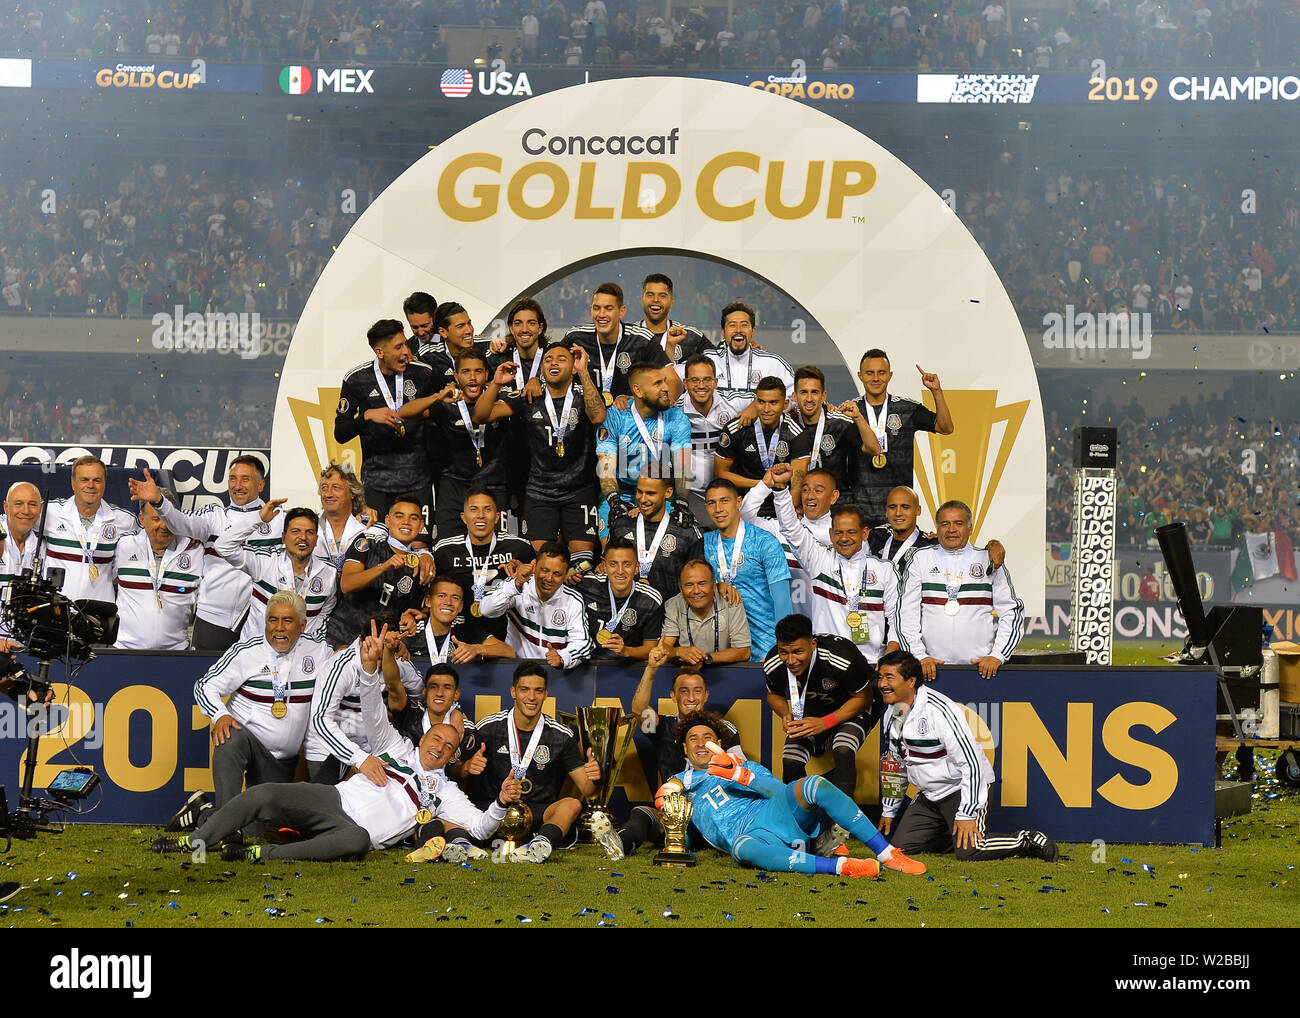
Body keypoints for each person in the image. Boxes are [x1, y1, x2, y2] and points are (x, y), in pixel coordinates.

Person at [157, 622, 518, 863]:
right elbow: (374, 706)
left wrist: (501, 802)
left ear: (453, 757)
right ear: (423, 736)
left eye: (449, 747)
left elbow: (480, 828)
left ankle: (258, 855)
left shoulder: (446, 792)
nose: (440, 745)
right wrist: (368, 668)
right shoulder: (394, 747)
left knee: (357, 841)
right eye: (437, 737)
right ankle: (198, 841)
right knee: (263, 793)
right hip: (334, 799)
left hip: (354, 832)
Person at [663, 709, 925, 877]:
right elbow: (681, 838)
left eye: (706, 737)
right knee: (742, 849)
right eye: (692, 739)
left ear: (719, 744)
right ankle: (843, 867)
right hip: (751, 837)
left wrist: (743, 776)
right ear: (685, 749)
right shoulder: (681, 789)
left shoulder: (745, 766)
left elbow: (781, 792)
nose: (700, 743)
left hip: (774, 815)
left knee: (813, 785)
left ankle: (887, 854)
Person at [876, 649, 1057, 861]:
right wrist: (889, 809)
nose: (882, 684)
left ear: (911, 681)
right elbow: (896, 763)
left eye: (889, 677)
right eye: (880, 677)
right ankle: (959, 840)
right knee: (901, 848)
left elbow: (971, 764)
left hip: (961, 788)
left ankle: (1026, 840)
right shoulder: (891, 712)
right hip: (930, 795)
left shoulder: (940, 711)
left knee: (969, 851)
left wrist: (966, 812)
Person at [180, 591, 332, 836]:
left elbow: (346, 665)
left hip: (283, 762)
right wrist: (220, 715)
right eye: (273, 620)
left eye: (287, 621)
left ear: (302, 625)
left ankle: (203, 812)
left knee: (258, 829)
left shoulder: (319, 652)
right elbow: (204, 686)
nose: (278, 628)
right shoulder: (246, 651)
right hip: (247, 743)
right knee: (229, 736)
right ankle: (227, 834)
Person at [603, 647, 744, 859]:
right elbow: (640, 711)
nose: (691, 697)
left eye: (697, 691)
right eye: (684, 691)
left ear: (706, 695)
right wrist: (651, 668)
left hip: (715, 813)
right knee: (642, 813)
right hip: (671, 816)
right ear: (673, 695)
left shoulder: (724, 729)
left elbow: (741, 770)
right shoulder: (662, 727)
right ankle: (620, 843)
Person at [472, 343, 605, 563]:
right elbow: (481, 415)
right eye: (548, 359)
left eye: (562, 359)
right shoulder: (528, 396)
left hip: (578, 490)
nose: (553, 362)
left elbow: (598, 416)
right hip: (539, 492)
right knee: (539, 563)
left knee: (583, 563)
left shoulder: (584, 393)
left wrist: (583, 371)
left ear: (573, 367)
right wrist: (496, 383)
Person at [130, 457, 278, 653]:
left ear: (260, 485)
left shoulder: (280, 522)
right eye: (232, 479)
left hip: (261, 620)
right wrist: (159, 502)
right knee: (203, 678)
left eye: (245, 479)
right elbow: (180, 523)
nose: (237, 485)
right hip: (214, 619)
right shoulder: (214, 516)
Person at [469, 663, 603, 862]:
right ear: (513, 691)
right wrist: (468, 767)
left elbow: (588, 791)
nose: (531, 697)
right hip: (493, 809)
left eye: (538, 691)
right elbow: (459, 776)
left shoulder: (561, 735)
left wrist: (595, 777)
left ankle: (540, 844)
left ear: (546, 693)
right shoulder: (488, 728)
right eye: (525, 690)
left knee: (572, 805)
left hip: (537, 812)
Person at [767, 463, 898, 662]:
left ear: (864, 534)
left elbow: (898, 616)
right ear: (831, 534)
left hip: (872, 661)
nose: (844, 538)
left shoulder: (884, 570)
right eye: (838, 533)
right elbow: (791, 529)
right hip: (825, 662)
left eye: (851, 532)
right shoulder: (820, 561)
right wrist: (780, 490)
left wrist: (892, 651)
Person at [896, 499, 1025, 680]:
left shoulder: (989, 560)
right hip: (930, 669)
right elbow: (905, 613)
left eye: (958, 523)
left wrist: (998, 654)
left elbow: (1012, 611)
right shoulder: (921, 559)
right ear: (937, 527)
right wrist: (919, 656)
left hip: (979, 670)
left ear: (970, 528)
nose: (951, 529)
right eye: (945, 524)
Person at [764, 614, 877, 814]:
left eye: (798, 652)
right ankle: (798, 821)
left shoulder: (842, 656)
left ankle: (842, 826)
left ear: (813, 644)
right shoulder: (774, 661)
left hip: (853, 706)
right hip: (813, 709)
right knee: (790, 760)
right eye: (784, 652)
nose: (790, 660)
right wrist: (785, 714)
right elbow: (773, 695)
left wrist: (825, 723)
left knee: (843, 748)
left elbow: (864, 698)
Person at [333, 319, 437, 519]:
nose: (406, 351)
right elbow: (341, 433)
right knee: (377, 540)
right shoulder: (356, 379)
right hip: (376, 482)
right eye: (398, 347)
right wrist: (367, 416)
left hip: (418, 480)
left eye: (406, 343)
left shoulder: (423, 372)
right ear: (380, 352)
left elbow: (440, 415)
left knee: (418, 544)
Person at [843, 349, 953, 528]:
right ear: (860, 376)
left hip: (899, 514)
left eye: (882, 372)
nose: (876, 378)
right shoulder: (849, 412)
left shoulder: (907, 408)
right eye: (870, 373)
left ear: (890, 375)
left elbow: (946, 427)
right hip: (860, 515)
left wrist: (936, 391)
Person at [406, 349, 511, 533]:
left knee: (495, 549)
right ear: (456, 375)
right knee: (447, 546)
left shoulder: (501, 399)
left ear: (487, 374)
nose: (472, 378)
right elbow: (404, 413)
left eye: (478, 371)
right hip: (454, 486)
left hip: (493, 483)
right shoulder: (446, 403)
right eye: (466, 372)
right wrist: (437, 397)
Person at [214, 500, 338, 642]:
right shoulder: (264, 561)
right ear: (284, 537)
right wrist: (258, 518)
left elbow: (325, 614)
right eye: (295, 531)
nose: (303, 537)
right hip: (257, 653)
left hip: (300, 656)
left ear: (316, 540)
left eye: (309, 532)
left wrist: (311, 643)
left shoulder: (329, 572)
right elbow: (223, 546)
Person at [432, 486, 535, 649]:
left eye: (487, 509)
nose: (480, 515)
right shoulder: (444, 551)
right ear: (464, 517)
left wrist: (528, 575)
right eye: (474, 509)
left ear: (497, 517)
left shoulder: (519, 548)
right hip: (460, 639)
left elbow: (541, 585)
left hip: (509, 640)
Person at [701, 478, 791, 659]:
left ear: (738, 502)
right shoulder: (704, 543)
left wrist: (782, 650)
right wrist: (715, 586)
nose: (718, 509)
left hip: (766, 650)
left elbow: (783, 602)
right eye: (712, 503)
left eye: (724, 501)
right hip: (724, 652)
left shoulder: (764, 542)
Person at [326, 495, 430, 649]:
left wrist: (411, 615)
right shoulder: (368, 542)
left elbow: (421, 606)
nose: (406, 522)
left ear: (421, 525)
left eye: (413, 518)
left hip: (383, 648)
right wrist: (383, 567)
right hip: (343, 639)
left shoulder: (419, 564)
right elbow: (346, 585)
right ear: (387, 521)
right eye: (399, 516)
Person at [596, 362, 693, 526]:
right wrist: (614, 500)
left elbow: (682, 468)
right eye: (658, 384)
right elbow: (606, 467)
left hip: (662, 493)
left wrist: (682, 502)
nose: (666, 388)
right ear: (638, 391)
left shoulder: (677, 417)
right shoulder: (616, 416)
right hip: (622, 492)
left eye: (665, 381)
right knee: (613, 546)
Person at [113, 487, 205, 650]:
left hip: (176, 655)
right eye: (156, 519)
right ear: (142, 519)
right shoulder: (123, 546)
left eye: (169, 518)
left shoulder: (196, 551)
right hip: (125, 652)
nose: (164, 525)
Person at [479, 542, 592, 669]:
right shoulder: (518, 585)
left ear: (566, 574)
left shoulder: (573, 600)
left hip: (554, 673)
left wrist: (563, 657)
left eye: (557, 574)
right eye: (544, 570)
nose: (549, 578)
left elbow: (583, 643)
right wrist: (516, 585)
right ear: (534, 566)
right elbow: (485, 609)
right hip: (515, 669)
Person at [42, 454, 137, 603]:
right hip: (55, 613)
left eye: (97, 480)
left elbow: (155, 537)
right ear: (73, 483)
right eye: (84, 480)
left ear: (104, 483)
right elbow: (11, 519)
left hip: (99, 615)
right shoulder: (49, 511)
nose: (90, 485)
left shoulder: (125, 520)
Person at [564, 281, 671, 405]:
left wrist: (634, 400)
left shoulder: (642, 339)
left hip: (628, 418)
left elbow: (671, 379)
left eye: (608, 309)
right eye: (596, 308)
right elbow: (550, 364)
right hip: (585, 418)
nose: (601, 314)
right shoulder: (576, 337)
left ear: (621, 311)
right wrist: (536, 380)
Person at [785, 365, 876, 499]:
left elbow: (874, 449)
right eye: (804, 392)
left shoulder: (840, 424)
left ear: (824, 396)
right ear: (795, 396)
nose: (809, 399)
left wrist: (858, 417)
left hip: (837, 506)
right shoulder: (787, 424)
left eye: (814, 392)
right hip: (800, 506)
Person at [714, 376, 801, 517]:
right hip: (743, 507)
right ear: (755, 402)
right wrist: (762, 484)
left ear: (785, 405)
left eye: (773, 403)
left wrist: (788, 516)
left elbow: (797, 482)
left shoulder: (796, 433)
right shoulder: (735, 429)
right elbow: (720, 474)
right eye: (761, 402)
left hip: (780, 510)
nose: (766, 409)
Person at [607, 474, 702, 600]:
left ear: (668, 492)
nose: (642, 499)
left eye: (650, 493)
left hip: (669, 614)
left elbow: (699, 579)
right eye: (639, 492)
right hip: (623, 611)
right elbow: (605, 567)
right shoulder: (621, 526)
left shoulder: (687, 533)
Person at [678, 354, 747, 522]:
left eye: (707, 380)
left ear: (715, 382)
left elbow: (769, 399)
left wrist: (752, 409)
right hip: (691, 493)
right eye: (695, 380)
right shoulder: (674, 410)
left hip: (726, 492)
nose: (701, 386)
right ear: (685, 384)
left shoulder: (732, 403)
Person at [576, 537, 664, 661]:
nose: (620, 571)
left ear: (637, 567)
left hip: (628, 669)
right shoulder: (586, 586)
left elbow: (652, 649)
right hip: (587, 666)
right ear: (604, 566)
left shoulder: (651, 600)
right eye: (613, 564)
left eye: (627, 564)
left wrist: (626, 651)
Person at [658, 559, 752, 666]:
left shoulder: (730, 601)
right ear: (681, 589)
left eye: (702, 584)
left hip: (725, 671)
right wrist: (677, 651)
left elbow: (744, 652)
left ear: (713, 586)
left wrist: (705, 658)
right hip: (686, 672)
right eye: (689, 585)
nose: (696, 591)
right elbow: (663, 648)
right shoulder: (673, 605)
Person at [707, 301, 793, 400]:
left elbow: (795, 394)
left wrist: (768, 408)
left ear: (752, 331)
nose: (738, 330)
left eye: (744, 325)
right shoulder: (708, 360)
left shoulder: (772, 363)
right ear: (723, 332)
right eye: (732, 325)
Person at [635, 273, 713, 365]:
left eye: (662, 295)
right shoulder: (627, 337)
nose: (656, 299)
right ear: (642, 300)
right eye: (650, 295)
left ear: (671, 302)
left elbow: (719, 363)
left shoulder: (691, 336)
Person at [0, 483, 43, 634]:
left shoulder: (43, 544)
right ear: (6, 507)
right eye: (18, 504)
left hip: (25, 641)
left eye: (32, 504)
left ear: (40, 508)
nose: (26, 511)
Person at [314, 464, 370, 571]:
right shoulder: (308, 526)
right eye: (324, 488)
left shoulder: (369, 529)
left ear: (352, 493)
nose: (328, 494)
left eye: (336, 487)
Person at [867, 484, 937, 568]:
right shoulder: (875, 537)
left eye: (905, 507)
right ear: (886, 511)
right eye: (892, 507)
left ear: (918, 510)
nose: (898, 513)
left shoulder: (929, 545)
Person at [402, 290, 439, 359]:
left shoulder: (452, 338)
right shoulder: (406, 350)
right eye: (414, 327)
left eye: (424, 326)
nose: (421, 333)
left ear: (435, 317)